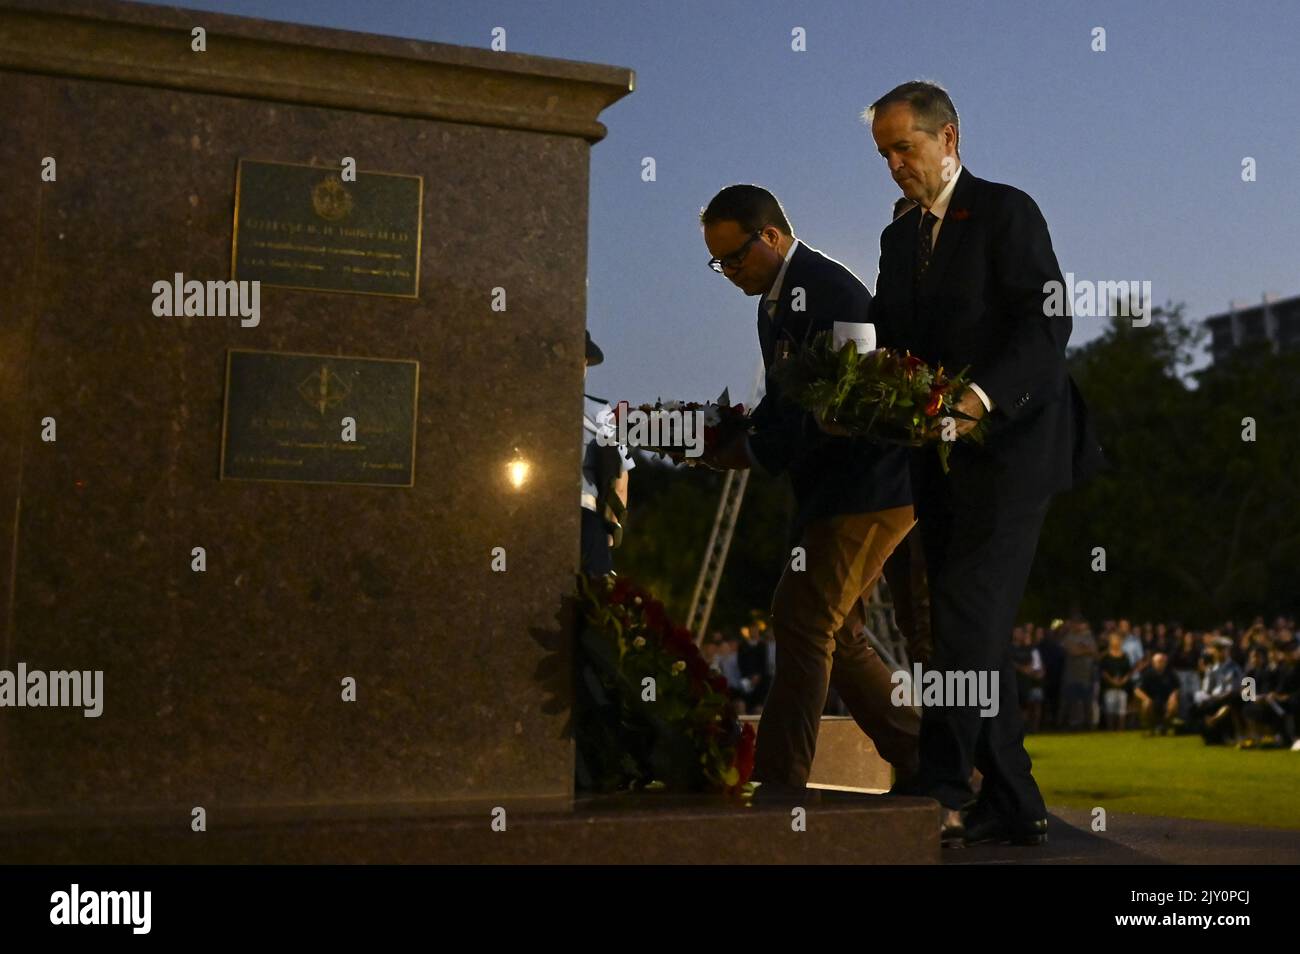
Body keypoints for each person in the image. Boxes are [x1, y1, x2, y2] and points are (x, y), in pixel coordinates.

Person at [866, 80, 1104, 847]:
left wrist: (978, 398)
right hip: (936, 457)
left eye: (905, 147)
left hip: (1016, 446)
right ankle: (1014, 799)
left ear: (949, 138)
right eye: (884, 153)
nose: (895, 164)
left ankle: (939, 782)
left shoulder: (1006, 211)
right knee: (973, 625)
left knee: (966, 608)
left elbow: (1047, 323)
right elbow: (890, 342)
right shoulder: (897, 240)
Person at [697, 184, 919, 795]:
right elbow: (785, 402)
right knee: (835, 633)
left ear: (771, 235)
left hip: (871, 487)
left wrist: (749, 451)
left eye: (735, 257)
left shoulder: (833, 291)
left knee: (800, 619)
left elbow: (846, 404)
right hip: (834, 491)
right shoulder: (773, 300)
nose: (729, 273)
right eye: (718, 263)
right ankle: (930, 761)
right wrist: (726, 436)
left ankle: (779, 784)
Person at [579, 331, 634, 576]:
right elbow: (621, 480)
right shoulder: (600, 412)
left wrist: (612, 526)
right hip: (582, 516)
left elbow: (620, 477)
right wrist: (611, 529)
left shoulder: (600, 412)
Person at [1134, 652, 1179, 734]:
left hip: (1166, 701)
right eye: (1159, 661)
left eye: (1163, 661)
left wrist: (1173, 696)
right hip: (1152, 701)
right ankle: (1150, 728)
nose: (1161, 663)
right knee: (1146, 704)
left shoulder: (1170, 673)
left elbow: (1176, 688)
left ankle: (1165, 726)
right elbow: (1137, 690)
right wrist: (1146, 699)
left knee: (1173, 704)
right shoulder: (1147, 674)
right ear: (1153, 663)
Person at [1098, 632, 1132, 731]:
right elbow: (1103, 671)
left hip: (1122, 686)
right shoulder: (1105, 656)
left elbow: (1128, 670)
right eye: (1114, 640)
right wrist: (1112, 681)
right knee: (1110, 708)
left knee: (1122, 709)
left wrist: (1124, 679)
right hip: (1109, 685)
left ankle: (1121, 729)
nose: (1117, 642)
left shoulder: (1125, 656)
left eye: (1118, 640)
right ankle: (1110, 728)